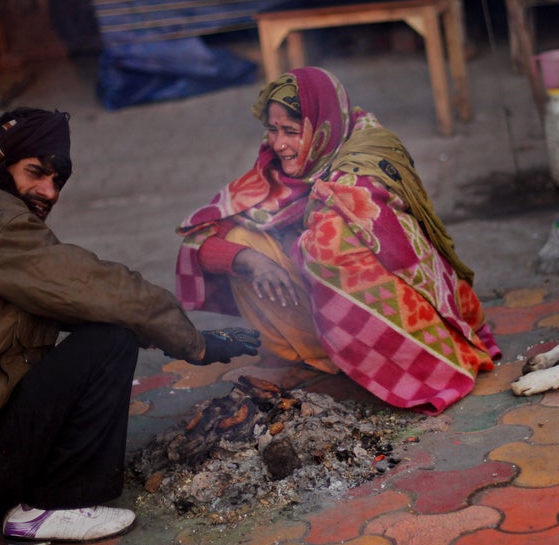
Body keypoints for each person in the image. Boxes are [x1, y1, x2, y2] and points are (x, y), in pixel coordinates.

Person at [0, 107, 258, 545]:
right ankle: (53, 504)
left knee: (96, 328)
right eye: (35, 172)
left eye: (58, 180)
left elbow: (62, 302)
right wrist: (194, 344)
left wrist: (167, 337)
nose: (48, 192)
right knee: (110, 342)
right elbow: (102, 289)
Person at [175, 66, 499, 414]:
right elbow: (202, 242)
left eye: (291, 132)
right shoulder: (274, 168)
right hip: (322, 310)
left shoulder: (367, 156)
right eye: (272, 129)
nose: (278, 144)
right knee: (242, 240)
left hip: (402, 309)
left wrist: (303, 242)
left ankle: (398, 364)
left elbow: (354, 244)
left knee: (332, 244)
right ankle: (313, 359)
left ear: (322, 127)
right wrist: (251, 260)